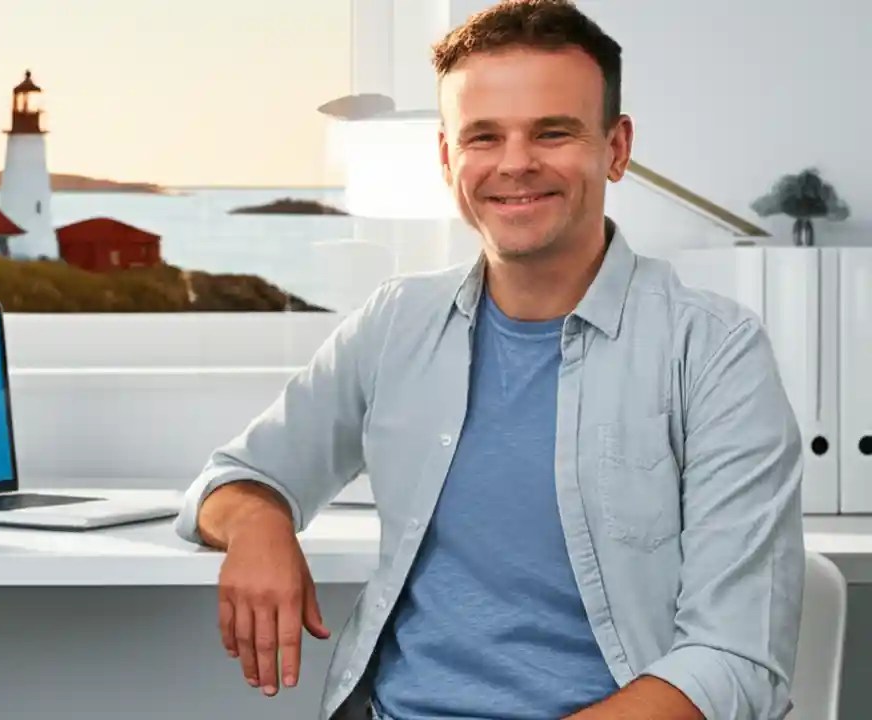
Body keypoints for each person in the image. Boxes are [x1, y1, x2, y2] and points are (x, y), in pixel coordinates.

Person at [173, 0, 806, 718]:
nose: (515, 164)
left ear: (617, 147)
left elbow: (735, 660)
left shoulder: (716, 352)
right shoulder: (395, 323)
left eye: (553, 132)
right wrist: (261, 525)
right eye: (484, 137)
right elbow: (237, 478)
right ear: (447, 157)